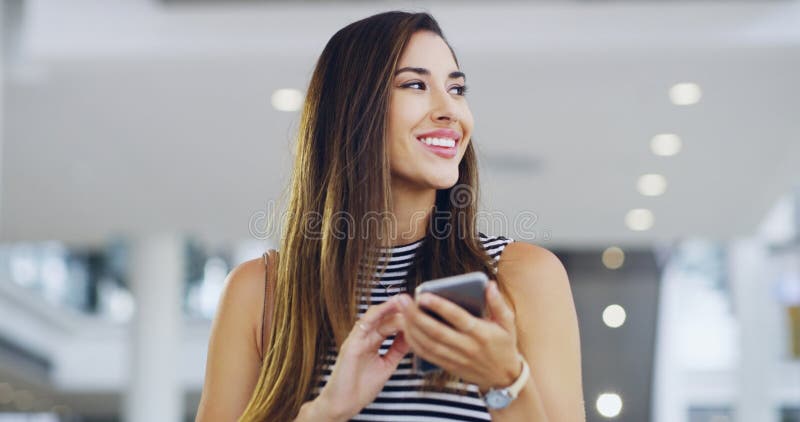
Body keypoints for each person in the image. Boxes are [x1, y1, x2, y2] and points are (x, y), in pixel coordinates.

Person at [196, 11, 584, 422]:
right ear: (353, 109)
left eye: (456, 89)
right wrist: (325, 412)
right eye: (416, 84)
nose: (449, 110)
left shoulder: (521, 277)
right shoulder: (260, 293)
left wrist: (506, 382)